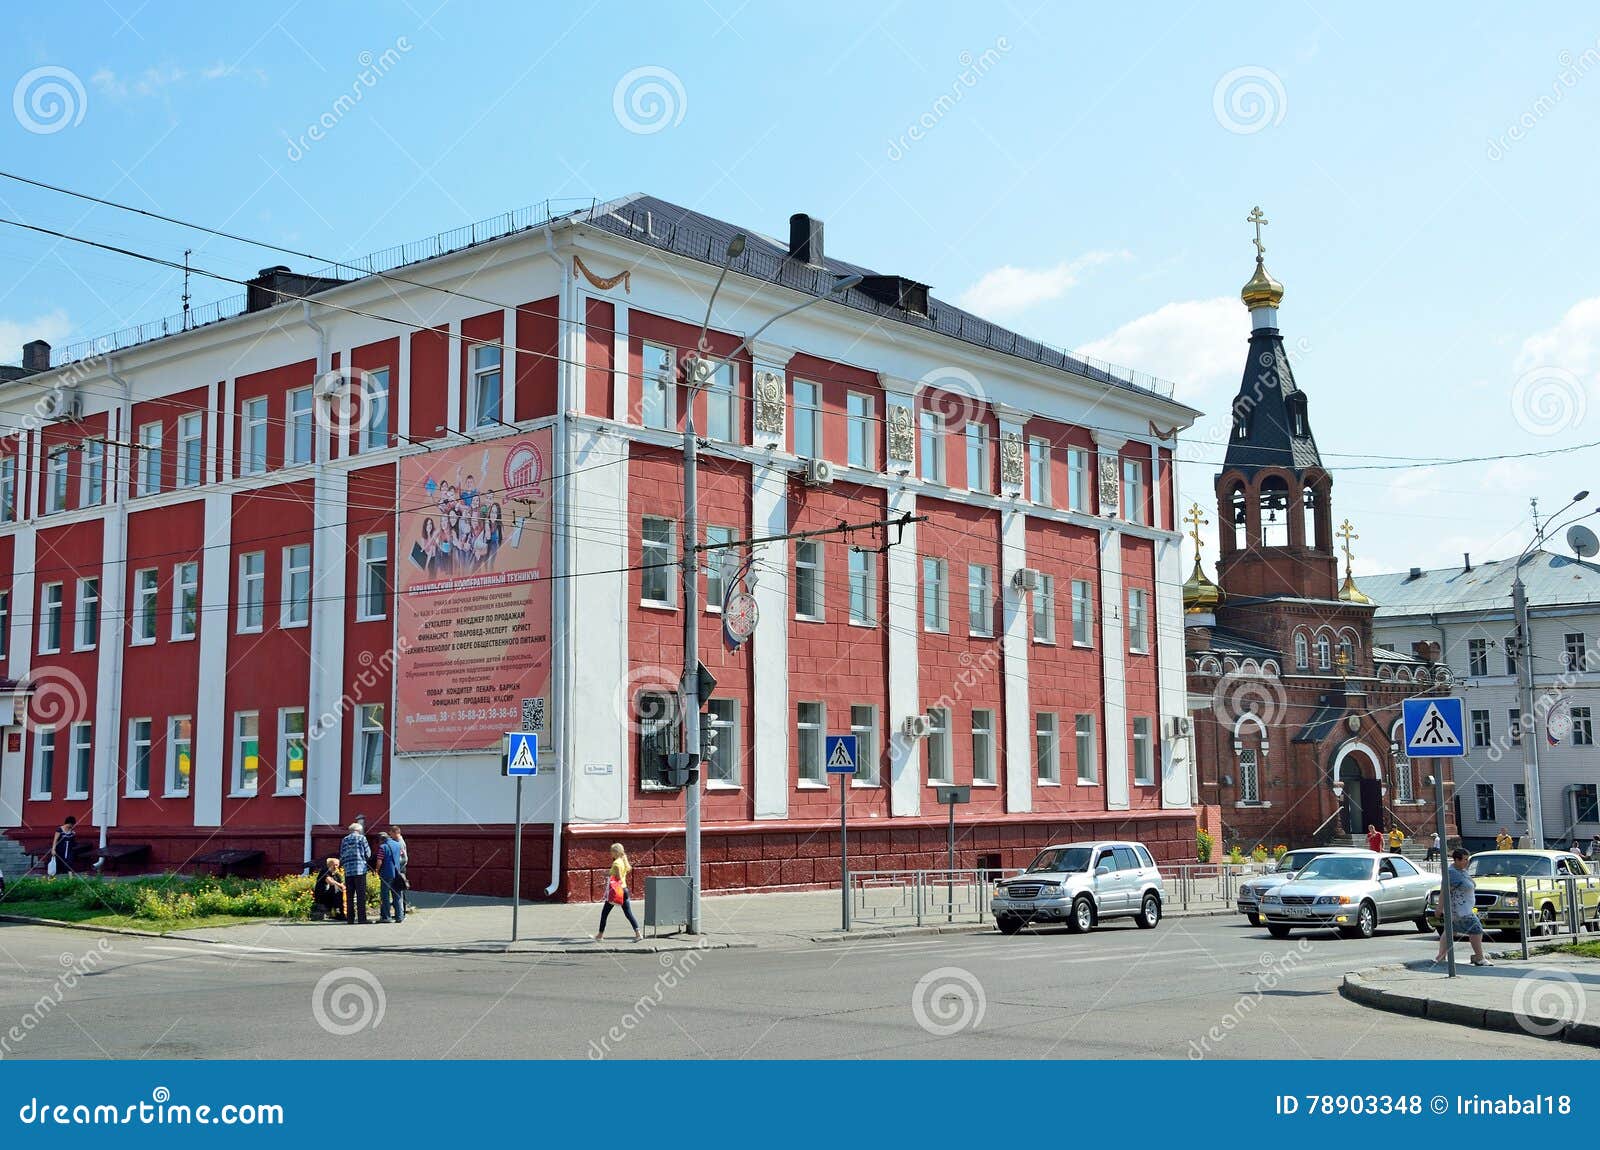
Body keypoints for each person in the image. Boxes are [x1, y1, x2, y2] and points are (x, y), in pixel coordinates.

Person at [1434, 848, 1492, 967]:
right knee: (1476, 930)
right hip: (1459, 909)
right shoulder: (1453, 873)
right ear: (1456, 860)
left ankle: (1441, 956)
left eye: (1468, 859)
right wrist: (1439, 907)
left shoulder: (1461, 871)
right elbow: (1445, 890)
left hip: (1462, 908)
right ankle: (1479, 957)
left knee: (1450, 931)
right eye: (1465, 859)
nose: (1467, 862)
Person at [594, 843, 642, 943]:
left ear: (616, 852)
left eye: (611, 851)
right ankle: (638, 934)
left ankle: (600, 935)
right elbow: (624, 872)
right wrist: (609, 873)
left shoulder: (616, 863)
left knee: (604, 914)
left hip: (617, 891)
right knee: (628, 913)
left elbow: (618, 877)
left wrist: (607, 874)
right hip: (625, 890)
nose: (610, 853)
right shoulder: (623, 861)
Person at [339, 822, 372, 925]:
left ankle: (350, 919)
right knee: (360, 895)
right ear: (359, 830)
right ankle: (362, 919)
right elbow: (368, 853)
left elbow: (342, 855)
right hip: (360, 869)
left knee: (349, 895)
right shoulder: (362, 838)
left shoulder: (344, 840)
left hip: (348, 871)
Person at [375, 832, 405, 923]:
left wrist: (376, 870)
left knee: (385, 895)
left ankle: (386, 917)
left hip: (386, 873)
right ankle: (399, 916)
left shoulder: (383, 847)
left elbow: (379, 861)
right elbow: (402, 858)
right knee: (397, 894)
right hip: (397, 873)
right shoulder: (398, 845)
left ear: (381, 839)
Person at [389, 827, 410, 918]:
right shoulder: (397, 841)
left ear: (395, 832)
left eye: (391, 833)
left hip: (400, 870)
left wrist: (398, 868)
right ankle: (401, 912)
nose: (390, 835)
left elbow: (404, 859)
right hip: (399, 869)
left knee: (400, 890)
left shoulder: (399, 842)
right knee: (399, 890)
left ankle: (402, 912)